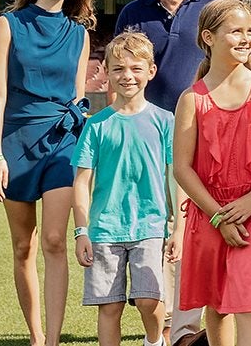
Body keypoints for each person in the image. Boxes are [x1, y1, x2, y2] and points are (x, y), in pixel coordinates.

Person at [0, 0, 97, 346]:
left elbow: (79, 97)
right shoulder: (9, 24)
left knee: (54, 239)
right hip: (16, 141)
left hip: (63, 140)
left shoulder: (80, 34)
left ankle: (52, 340)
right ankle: (34, 335)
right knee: (22, 245)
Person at [115, 0, 221, 346]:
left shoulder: (214, 5)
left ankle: (200, 320)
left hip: (208, 133)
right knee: (160, 231)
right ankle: (171, 326)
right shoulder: (132, 14)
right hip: (150, 138)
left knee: (204, 227)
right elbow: (122, 72)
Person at [173, 0, 251, 346]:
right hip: (209, 216)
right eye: (235, 31)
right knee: (217, 303)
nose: (245, 39)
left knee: (248, 302)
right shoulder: (191, 98)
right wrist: (219, 217)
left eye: (249, 31)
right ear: (209, 38)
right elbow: (182, 168)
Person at [74, 31, 177, 346]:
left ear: (151, 71)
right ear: (106, 73)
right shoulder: (96, 126)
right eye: (118, 68)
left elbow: (176, 178)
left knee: (149, 299)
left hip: (151, 225)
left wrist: (180, 228)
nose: (127, 75)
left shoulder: (165, 121)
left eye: (135, 68)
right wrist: (81, 231)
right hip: (105, 230)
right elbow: (81, 181)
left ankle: (154, 340)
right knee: (110, 305)